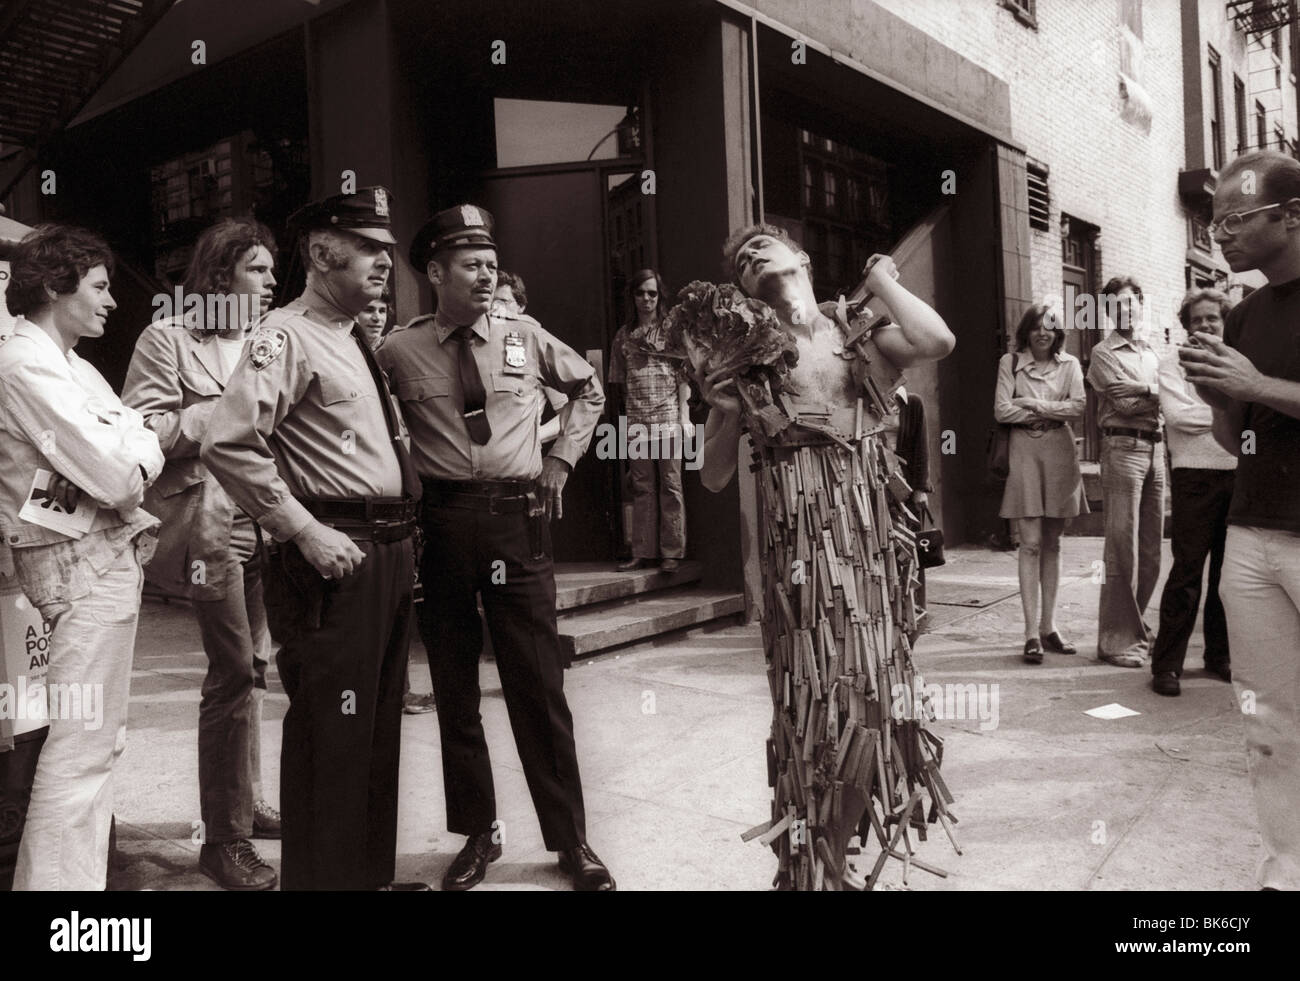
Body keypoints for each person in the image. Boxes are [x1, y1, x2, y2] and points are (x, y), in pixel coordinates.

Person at [700, 223, 954, 889]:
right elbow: (713, 475)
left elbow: (937, 340)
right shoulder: (748, 359)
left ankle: (829, 855)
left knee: (873, 705)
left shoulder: (857, 334)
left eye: (764, 244)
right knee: (812, 710)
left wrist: (884, 283)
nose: (752, 253)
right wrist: (727, 413)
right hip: (801, 559)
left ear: (803, 260)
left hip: (870, 546)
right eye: (742, 261)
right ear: (744, 292)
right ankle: (811, 865)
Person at [377, 204, 615, 891]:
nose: (485, 276)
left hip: (518, 517)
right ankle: (478, 833)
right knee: (455, 685)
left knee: (538, 684)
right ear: (435, 271)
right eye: (471, 265)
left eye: (489, 264)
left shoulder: (525, 335)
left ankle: (571, 839)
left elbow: (589, 388)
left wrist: (562, 461)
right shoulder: (399, 349)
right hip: (444, 524)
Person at [201, 187, 426, 891]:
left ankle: (368, 879)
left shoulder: (356, 337)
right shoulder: (286, 334)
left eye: (388, 250)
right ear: (323, 251)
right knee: (332, 735)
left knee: (376, 730)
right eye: (369, 248)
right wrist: (302, 529)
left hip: (385, 548)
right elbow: (228, 440)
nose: (385, 262)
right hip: (332, 553)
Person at [0, 224, 165, 890]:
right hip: (78, 567)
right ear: (54, 285)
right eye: (99, 286)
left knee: (95, 746)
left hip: (100, 560)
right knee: (79, 754)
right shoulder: (25, 364)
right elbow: (118, 475)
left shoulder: (70, 363)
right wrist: (132, 447)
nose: (112, 302)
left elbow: (137, 440)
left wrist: (133, 445)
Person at [122, 217, 281, 890]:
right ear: (220, 275)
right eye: (259, 270)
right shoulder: (168, 338)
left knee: (255, 668)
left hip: (269, 523)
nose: (273, 281)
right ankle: (224, 839)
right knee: (231, 672)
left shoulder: (271, 342)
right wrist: (219, 412)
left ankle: (246, 798)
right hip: (209, 525)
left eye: (274, 271)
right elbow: (142, 427)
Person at [1180, 149, 1300, 890]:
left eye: (1235, 218)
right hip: (1252, 536)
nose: (1220, 234)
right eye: (1214, 220)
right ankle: (1286, 866)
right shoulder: (1246, 312)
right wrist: (1223, 397)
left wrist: (1256, 381)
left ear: (1290, 215)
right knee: (1269, 721)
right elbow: (1233, 442)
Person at [1149, 288, 1237, 696]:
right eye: (1197, 320)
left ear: (1225, 322)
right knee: (1187, 571)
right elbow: (1178, 418)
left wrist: (1230, 411)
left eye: (1212, 319)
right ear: (1187, 325)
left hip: (1235, 472)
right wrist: (1226, 411)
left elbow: (1248, 412)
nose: (1205, 325)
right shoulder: (1173, 364)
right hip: (1193, 476)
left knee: (1225, 573)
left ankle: (1218, 655)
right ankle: (1167, 664)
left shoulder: (1236, 363)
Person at [994, 302, 1086, 663]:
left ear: (1058, 332)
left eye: (1049, 327)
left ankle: (1050, 627)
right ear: (1027, 331)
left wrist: (1031, 403)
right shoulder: (1010, 363)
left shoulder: (1071, 365)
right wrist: (1050, 408)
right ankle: (1030, 632)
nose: (1042, 333)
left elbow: (1078, 407)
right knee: (1029, 543)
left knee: (1054, 542)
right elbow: (1001, 410)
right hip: (1024, 453)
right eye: (1036, 327)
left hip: (1060, 453)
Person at [1085, 276, 1164, 668]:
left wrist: (1145, 390)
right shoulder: (1102, 353)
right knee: (1121, 548)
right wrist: (1155, 392)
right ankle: (1115, 641)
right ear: (1108, 312)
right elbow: (1123, 401)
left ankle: (1134, 625)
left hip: (1157, 449)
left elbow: (1169, 398)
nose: (1124, 312)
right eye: (1116, 306)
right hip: (1122, 448)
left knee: (1151, 550)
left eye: (1130, 304)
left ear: (1140, 305)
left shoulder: (1151, 351)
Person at [608, 269, 692, 573]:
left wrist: (684, 418)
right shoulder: (623, 336)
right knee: (642, 487)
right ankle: (643, 551)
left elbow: (684, 378)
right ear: (633, 296)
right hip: (636, 421)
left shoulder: (671, 333)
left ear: (660, 296)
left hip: (669, 418)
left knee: (671, 485)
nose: (646, 299)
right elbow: (618, 383)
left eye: (652, 293)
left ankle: (672, 552)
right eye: (641, 293)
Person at [882, 386, 934, 634]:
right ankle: (887, 611)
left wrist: (921, 488)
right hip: (876, 485)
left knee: (913, 553)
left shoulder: (912, 402)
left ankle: (916, 612)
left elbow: (921, 447)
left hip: (907, 488)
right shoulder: (867, 398)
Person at [494, 270, 566, 447]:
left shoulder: (536, 346)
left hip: (521, 463)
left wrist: (534, 437)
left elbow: (568, 412)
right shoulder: (474, 347)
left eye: (503, 301)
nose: (494, 308)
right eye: (490, 301)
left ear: (520, 306)